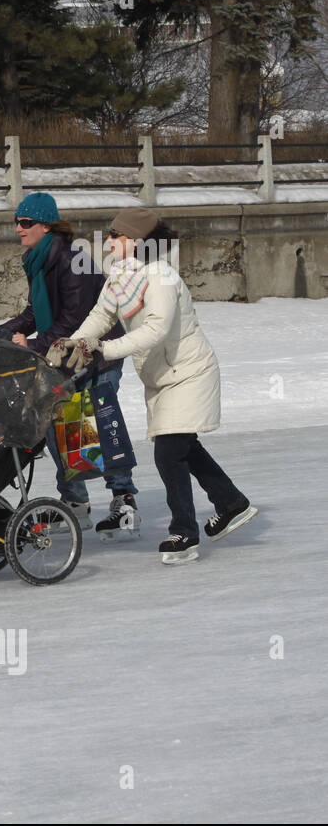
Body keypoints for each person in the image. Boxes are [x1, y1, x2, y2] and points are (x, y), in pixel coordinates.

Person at [54, 207, 257, 565]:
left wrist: (105, 349)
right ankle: (230, 502)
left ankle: (184, 532)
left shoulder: (161, 277)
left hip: (189, 372)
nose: (109, 241)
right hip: (163, 377)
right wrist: (77, 341)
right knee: (183, 446)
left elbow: (156, 329)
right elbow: (102, 315)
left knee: (169, 451)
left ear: (134, 241)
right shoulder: (120, 275)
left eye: (115, 235)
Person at [0, 191, 139, 533]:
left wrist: (31, 343)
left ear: (45, 225)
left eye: (25, 223)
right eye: (16, 222)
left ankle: (124, 501)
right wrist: (0, 333)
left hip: (97, 356)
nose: (18, 229)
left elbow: (75, 320)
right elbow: (34, 312)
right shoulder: (38, 260)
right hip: (64, 357)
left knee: (100, 428)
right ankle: (76, 503)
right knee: (64, 428)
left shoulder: (75, 260)